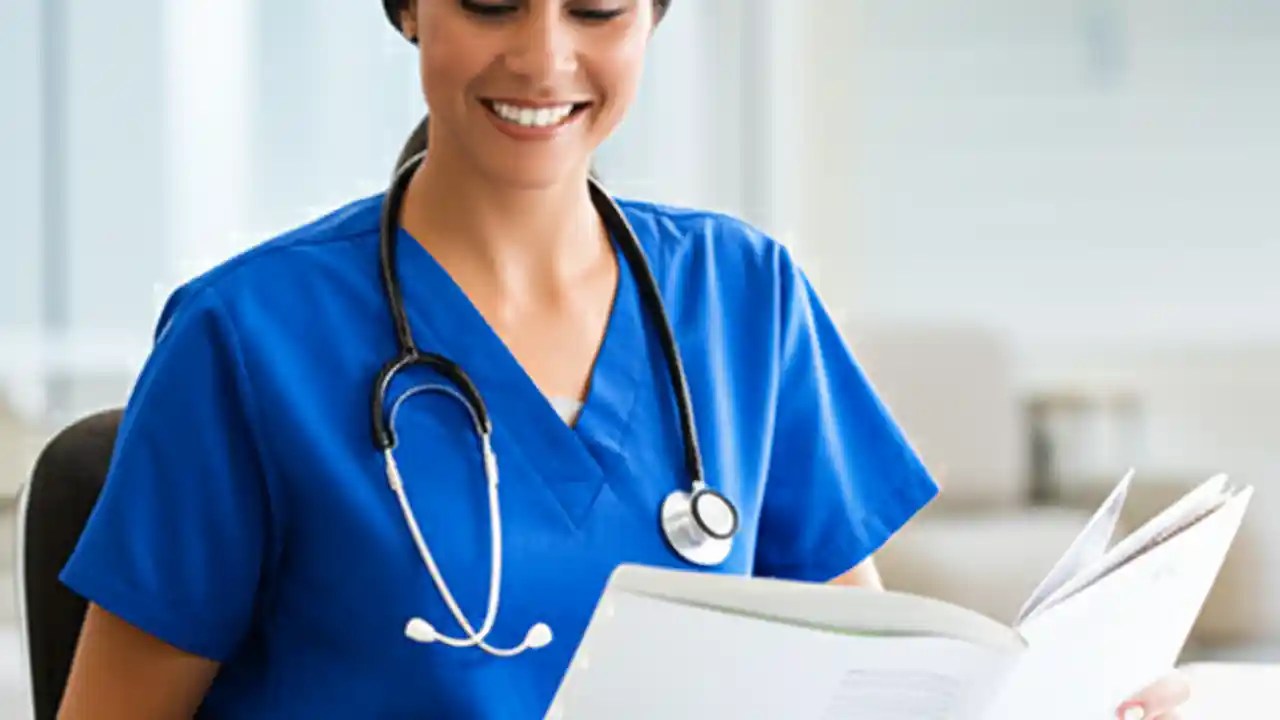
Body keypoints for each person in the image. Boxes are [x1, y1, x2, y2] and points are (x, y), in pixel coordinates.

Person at [55, 1, 1191, 718]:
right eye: (490, 0)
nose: (543, 56)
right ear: (407, 10)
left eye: (597, 8)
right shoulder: (248, 336)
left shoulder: (743, 297)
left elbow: (866, 675)